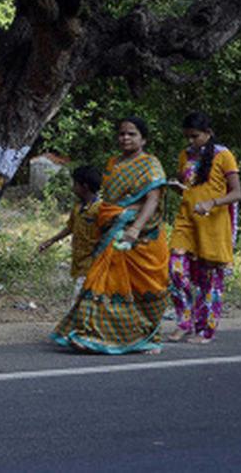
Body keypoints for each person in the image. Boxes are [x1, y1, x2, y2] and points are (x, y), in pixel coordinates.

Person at [52, 117, 169, 354]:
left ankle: (147, 338)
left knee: (141, 289)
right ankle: (94, 335)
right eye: (122, 134)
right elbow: (110, 201)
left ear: (143, 139)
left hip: (142, 237)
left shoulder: (151, 165)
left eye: (132, 134)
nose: (125, 138)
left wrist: (134, 228)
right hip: (112, 231)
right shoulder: (114, 164)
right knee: (102, 280)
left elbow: (153, 199)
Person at [166, 111, 241, 344]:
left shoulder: (224, 155)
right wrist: (178, 188)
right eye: (187, 136)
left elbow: (237, 193)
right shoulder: (185, 155)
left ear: (208, 134)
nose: (190, 141)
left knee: (209, 278)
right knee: (175, 269)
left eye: (195, 136)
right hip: (186, 220)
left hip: (212, 223)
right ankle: (184, 321)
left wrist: (213, 202)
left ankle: (205, 329)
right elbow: (190, 185)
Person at [36, 165, 102, 299]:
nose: (73, 188)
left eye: (75, 184)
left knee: (79, 304)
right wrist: (51, 241)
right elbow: (70, 227)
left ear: (85, 186)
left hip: (94, 266)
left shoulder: (100, 209)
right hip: (79, 263)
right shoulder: (78, 208)